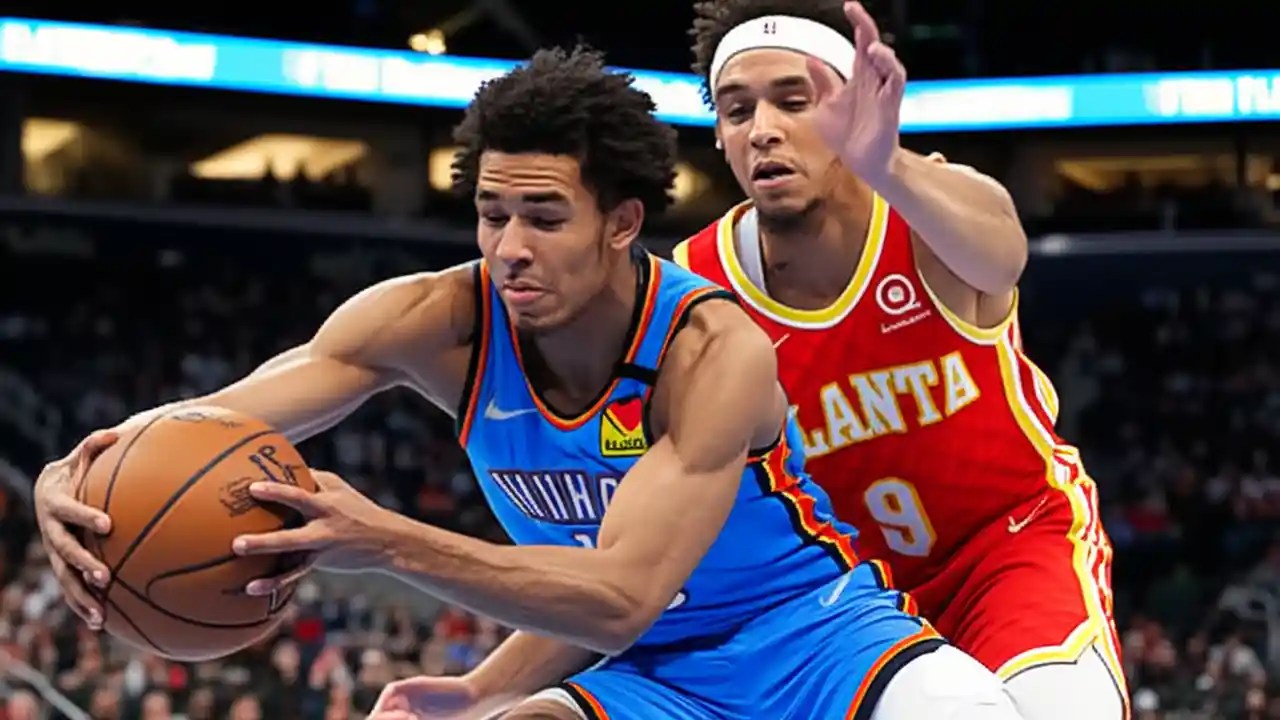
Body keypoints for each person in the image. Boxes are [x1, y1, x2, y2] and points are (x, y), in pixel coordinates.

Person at [34, 47, 1020, 720]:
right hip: (654, 678)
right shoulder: (434, 322)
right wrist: (70, 474)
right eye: (491, 213)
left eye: (544, 218)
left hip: (817, 645)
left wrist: (382, 539)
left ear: (621, 224)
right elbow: (207, 422)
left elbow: (622, 594)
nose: (508, 248)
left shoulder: (710, 349)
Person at [675, 2, 1127, 719]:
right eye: (737, 111)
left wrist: (885, 164)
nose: (763, 128)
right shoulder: (694, 289)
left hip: (1006, 550)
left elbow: (1002, 257)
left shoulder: (929, 208)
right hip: (845, 604)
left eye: (795, 100)